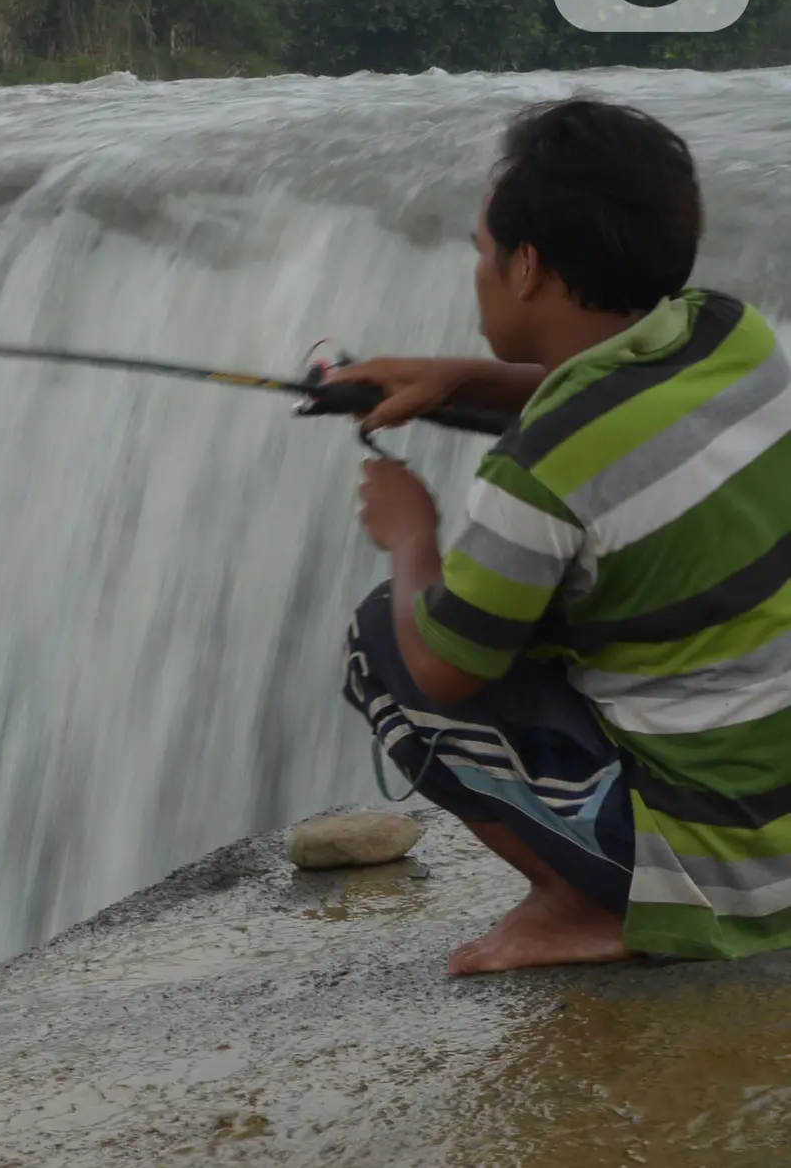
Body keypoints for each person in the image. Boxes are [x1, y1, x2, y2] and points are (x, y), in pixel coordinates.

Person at [335, 98, 791, 975]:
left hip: (714, 875)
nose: (477, 268)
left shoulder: (540, 471)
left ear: (527, 267)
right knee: (546, 596)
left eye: (481, 250)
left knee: (381, 639)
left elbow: (443, 666)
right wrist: (458, 378)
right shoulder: (735, 334)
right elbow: (617, 409)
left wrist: (409, 533)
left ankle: (585, 902)